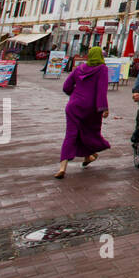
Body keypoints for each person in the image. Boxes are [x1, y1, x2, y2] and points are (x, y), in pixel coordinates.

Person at [56, 46, 111, 179]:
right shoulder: (102, 69)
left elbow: (66, 87)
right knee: (89, 131)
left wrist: (75, 95)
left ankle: (63, 167)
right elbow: (101, 90)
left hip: (74, 106)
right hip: (91, 108)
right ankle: (91, 154)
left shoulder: (79, 68)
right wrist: (104, 108)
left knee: (71, 134)